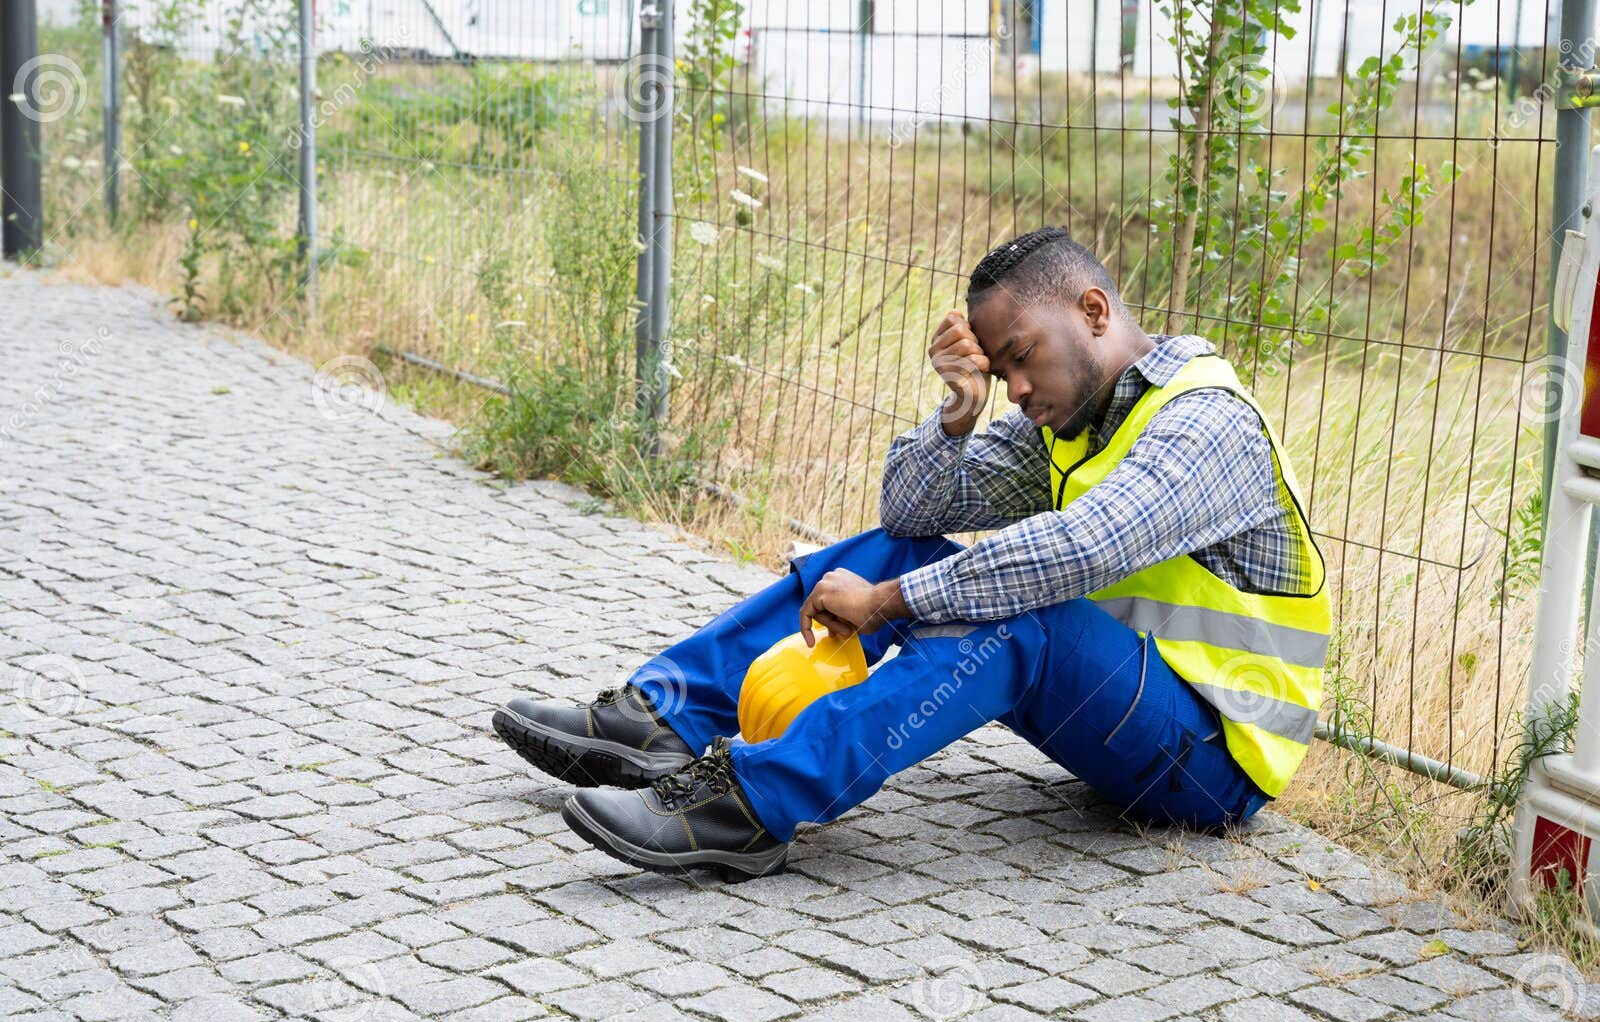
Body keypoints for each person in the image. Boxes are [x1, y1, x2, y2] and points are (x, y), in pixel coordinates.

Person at [492, 227, 1331, 881]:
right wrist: (956, 416)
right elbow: (910, 512)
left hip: (1213, 763)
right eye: (999, 372)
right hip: (1127, 706)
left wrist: (889, 603)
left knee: (1018, 615)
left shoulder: (1205, 423)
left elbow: (1074, 552)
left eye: (1021, 358)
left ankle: (746, 806)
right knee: (901, 552)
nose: (1017, 390)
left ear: (1094, 311)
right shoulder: (1081, 420)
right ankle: (662, 717)